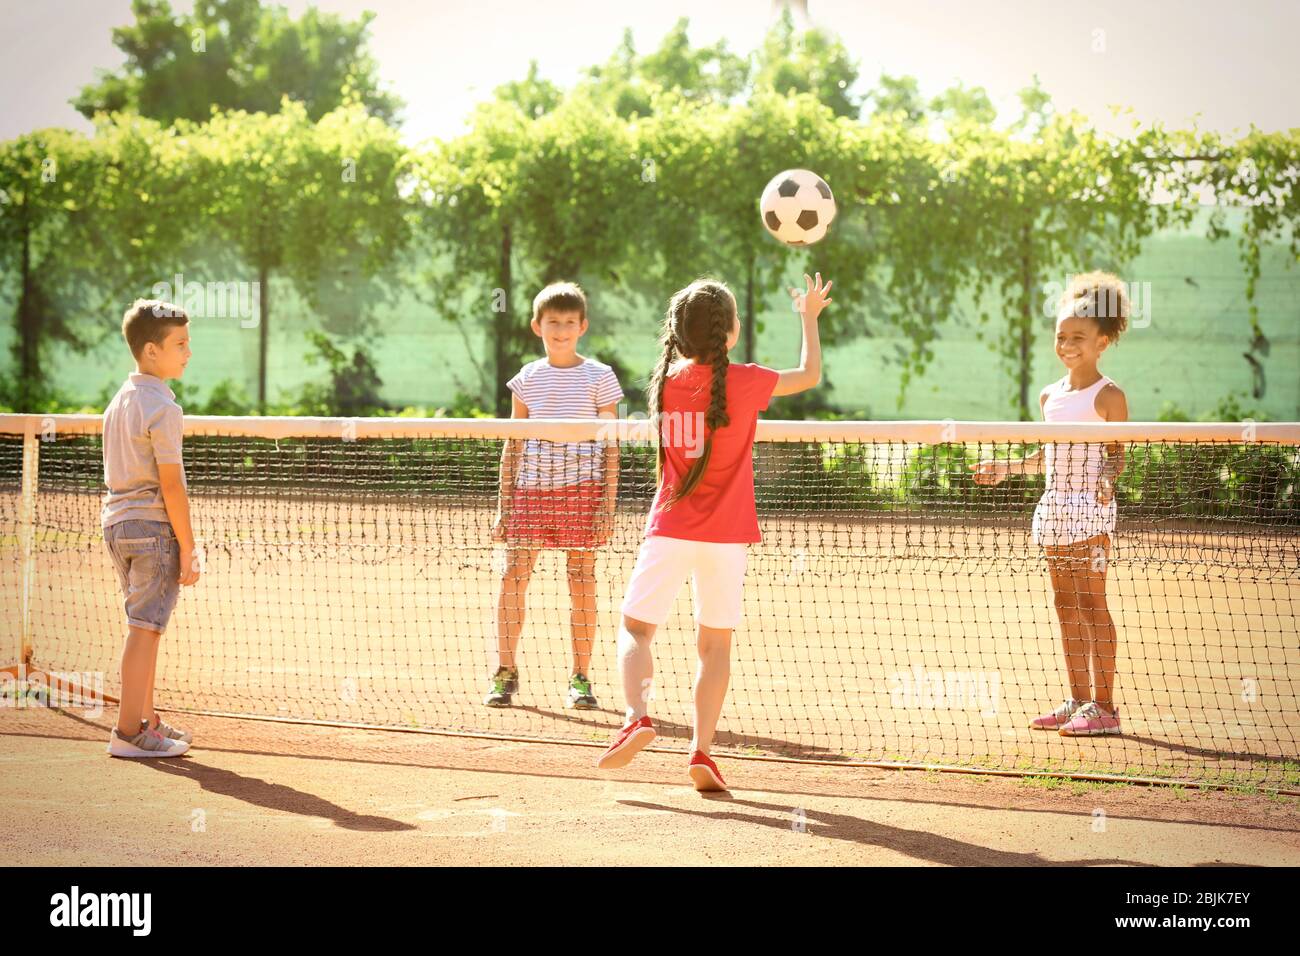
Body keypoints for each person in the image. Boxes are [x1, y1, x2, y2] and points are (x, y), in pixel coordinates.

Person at [596, 273, 833, 790]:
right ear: (730, 333)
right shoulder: (746, 380)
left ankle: (638, 714)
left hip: (670, 527)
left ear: (677, 335)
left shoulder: (664, 380)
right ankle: (701, 751)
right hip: (727, 538)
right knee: (715, 646)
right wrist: (809, 318)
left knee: (636, 629)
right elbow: (810, 374)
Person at [973, 271, 1130, 736]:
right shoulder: (1049, 396)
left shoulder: (1110, 396)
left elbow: (1116, 458)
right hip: (1054, 509)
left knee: (1092, 603)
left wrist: (1106, 478)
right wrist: (1007, 468)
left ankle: (1105, 707)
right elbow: (1050, 453)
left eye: (1078, 337)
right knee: (1064, 603)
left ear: (1102, 342)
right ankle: (1077, 699)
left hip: (1091, 513)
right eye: (1061, 336)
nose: (1066, 344)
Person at [487, 282, 623, 709]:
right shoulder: (526, 378)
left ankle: (580, 678)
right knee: (513, 577)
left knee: (581, 581)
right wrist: (502, 507)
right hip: (530, 493)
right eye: (553, 323)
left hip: (583, 494)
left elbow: (611, 445)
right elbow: (513, 443)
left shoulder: (600, 376)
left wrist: (607, 506)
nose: (561, 330)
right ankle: (505, 672)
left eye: (569, 322)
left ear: (582, 325)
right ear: (537, 326)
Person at [103, 299, 201, 757]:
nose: (188, 352)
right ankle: (128, 733)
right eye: (179, 344)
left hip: (117, 526)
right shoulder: (163, 406)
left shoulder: (118, 402)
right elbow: (172, 483)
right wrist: (189, 546)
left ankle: (147, 720)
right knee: (144, 629)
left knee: (144, 626)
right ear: (150, 351)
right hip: (151, 529)